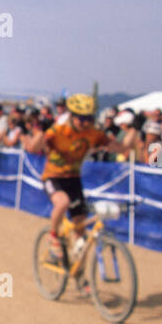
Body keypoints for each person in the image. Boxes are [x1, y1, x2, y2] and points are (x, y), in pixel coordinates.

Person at [33, 94, 116, 262]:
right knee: (62, 203)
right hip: (53, 176)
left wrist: (132, 131)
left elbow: (119, 148)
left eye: (90, 118)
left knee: (81, 236)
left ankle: (80, 276)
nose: (86, 123)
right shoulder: (58, 130)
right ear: (72, 116)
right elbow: (34, 148)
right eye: (82, 118)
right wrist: (41, 131)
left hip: (74, 179)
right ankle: (53, 236)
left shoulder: (92, 133)